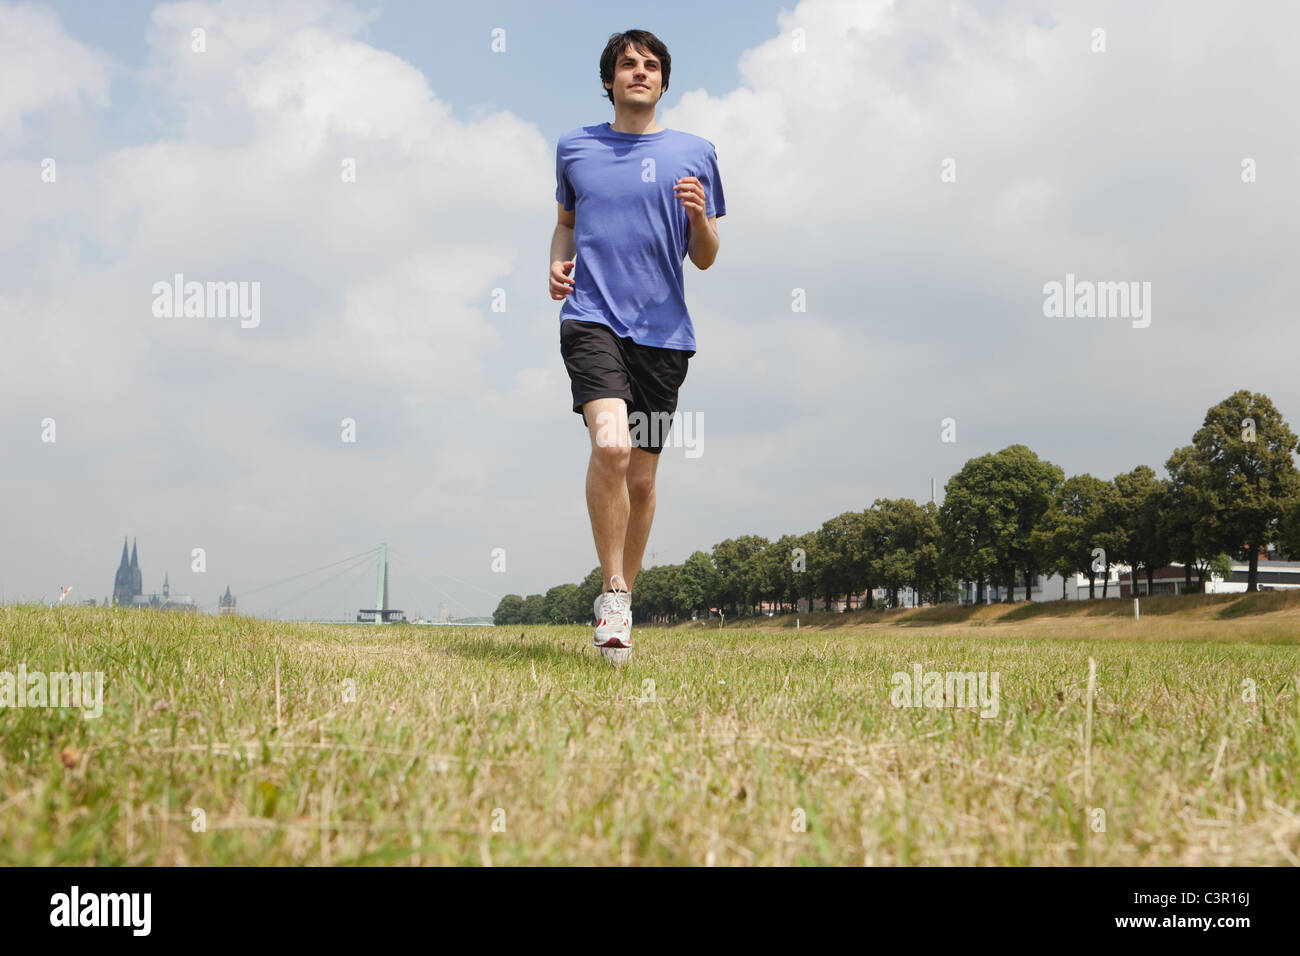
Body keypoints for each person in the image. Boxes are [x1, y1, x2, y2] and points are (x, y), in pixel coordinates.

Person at [549, 29, 726, 664]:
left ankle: (625, 604)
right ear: (610, 80)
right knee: (612, 447)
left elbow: (704, 259)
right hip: (592, 320)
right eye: (628, 65)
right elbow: (565, 226)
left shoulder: (696, 153)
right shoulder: (576, 148)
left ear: (663, 81)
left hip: (664, 337)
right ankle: (614, 594)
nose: (639, 72)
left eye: (651, 66)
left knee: (644, 480)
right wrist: (557, 264)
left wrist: (700, 217)